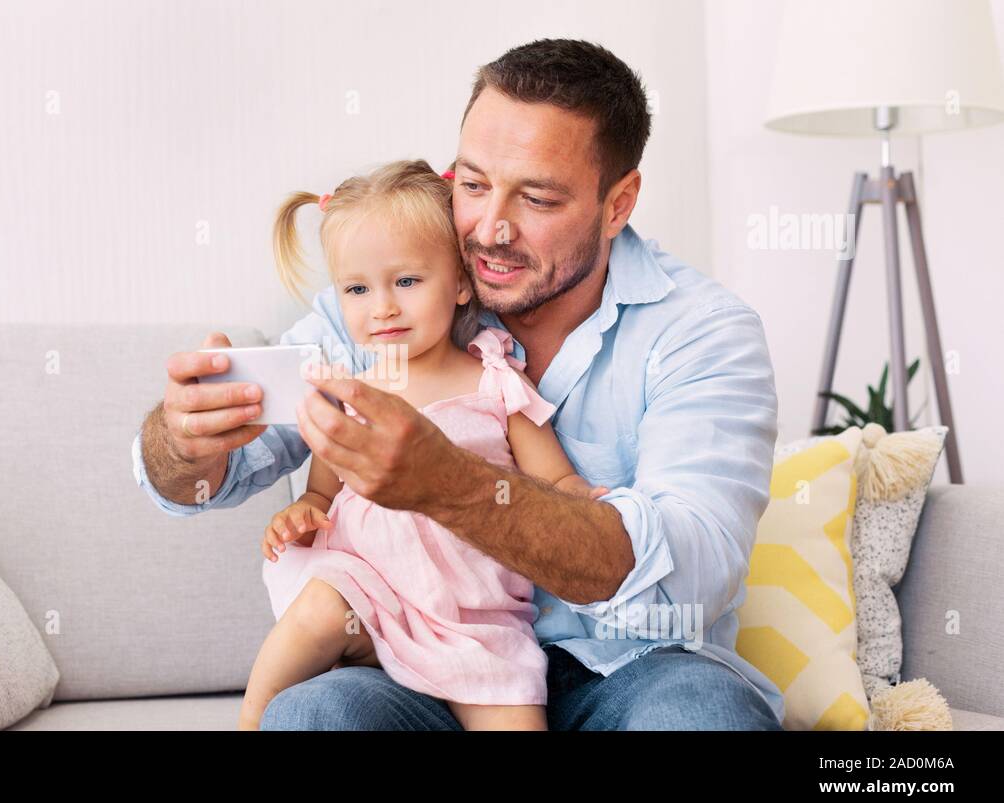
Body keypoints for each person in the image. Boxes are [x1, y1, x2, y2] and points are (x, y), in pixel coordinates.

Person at [134, 39, 785, 730]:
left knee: (704, 717)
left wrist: (451, 483)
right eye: (471, 184)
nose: (490, 228)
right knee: (317, 713)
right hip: (419, 663)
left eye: (536, 197)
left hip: (632, 668)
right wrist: (186, 439)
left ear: (618, 203)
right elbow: (210, 473)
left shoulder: (703, 333)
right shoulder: (391, 300)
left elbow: (690, 574)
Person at [240, 159, 608, 731]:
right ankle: (249, 720)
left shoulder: (494, 380)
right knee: (317, 607)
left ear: (461, 283)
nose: (382, 307)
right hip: (371, 600)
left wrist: (584, 499)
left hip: (475, 618)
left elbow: (554, 481)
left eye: (407, 282)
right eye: (357, 289)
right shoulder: (350, 390)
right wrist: (300, 515)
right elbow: (320, 493)